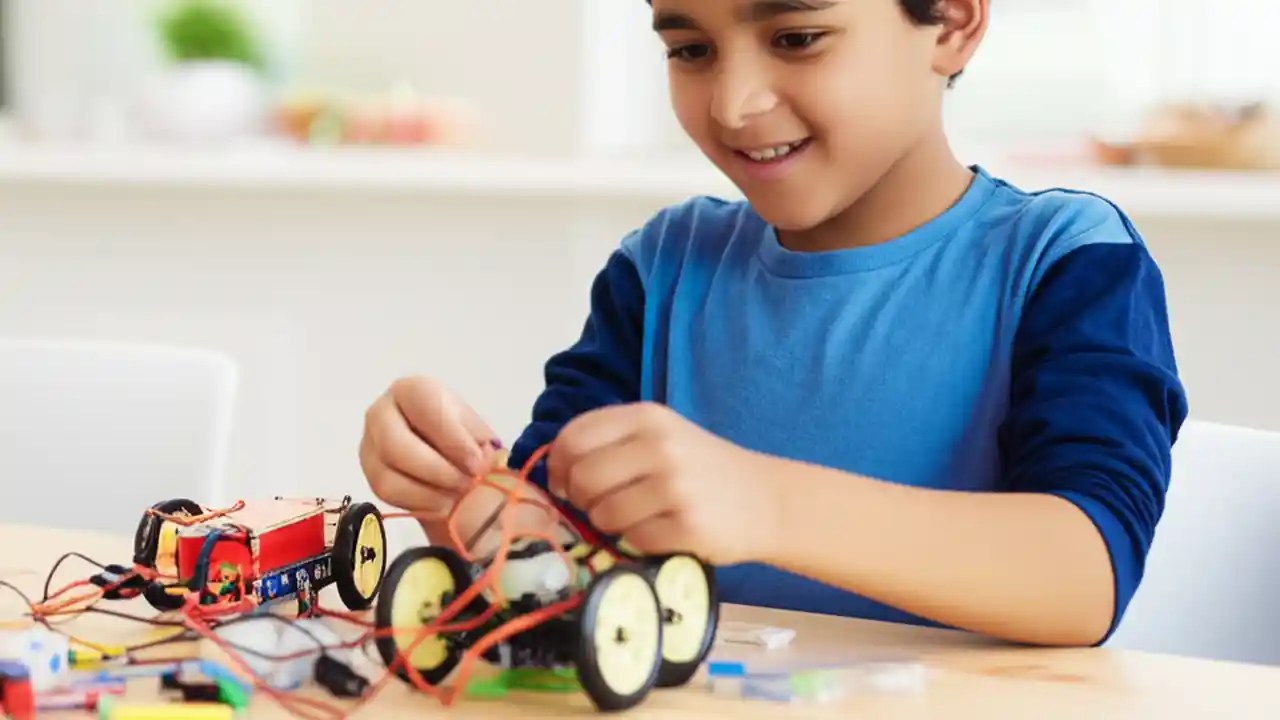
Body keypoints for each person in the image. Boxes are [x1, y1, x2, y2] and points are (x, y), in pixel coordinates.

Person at [358, 0, 1188, 648]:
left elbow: (1086, 573)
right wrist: (461, 495)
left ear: (953, 23)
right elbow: (552, 569)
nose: (735, 103)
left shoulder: (1065, 261)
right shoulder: (659, 269)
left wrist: (765, 502)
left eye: (796, 37)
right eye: (690, 49)